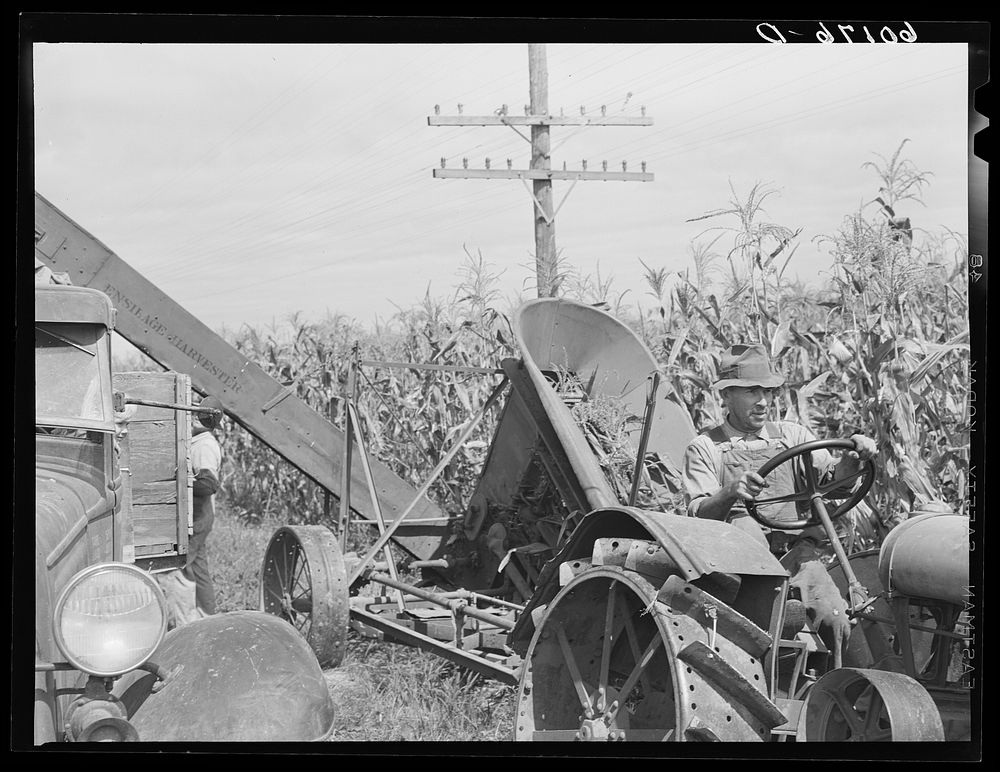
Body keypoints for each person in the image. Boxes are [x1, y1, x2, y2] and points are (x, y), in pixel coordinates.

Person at [682, 344, 878, 556]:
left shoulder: (793, 436)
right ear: (726, 395)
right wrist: (729, 492)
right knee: (745, 526)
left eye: (767, 391)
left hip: (795, 551)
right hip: (738, 563)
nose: (763, 402)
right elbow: (699, 518)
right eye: (751, 391)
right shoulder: (705, 447)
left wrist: (852, 461)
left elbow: (834, 484)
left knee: (819, 582)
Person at [185, 394, 224, 616]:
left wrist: (181, 484)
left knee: (180, 571)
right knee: (199, 569)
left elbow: (209, 484)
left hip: (198, 516)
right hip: (201, 515)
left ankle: (184, 622)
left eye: (196, 416)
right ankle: (208, 616)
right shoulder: (199, 441)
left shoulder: (204, 446)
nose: (192, 419)